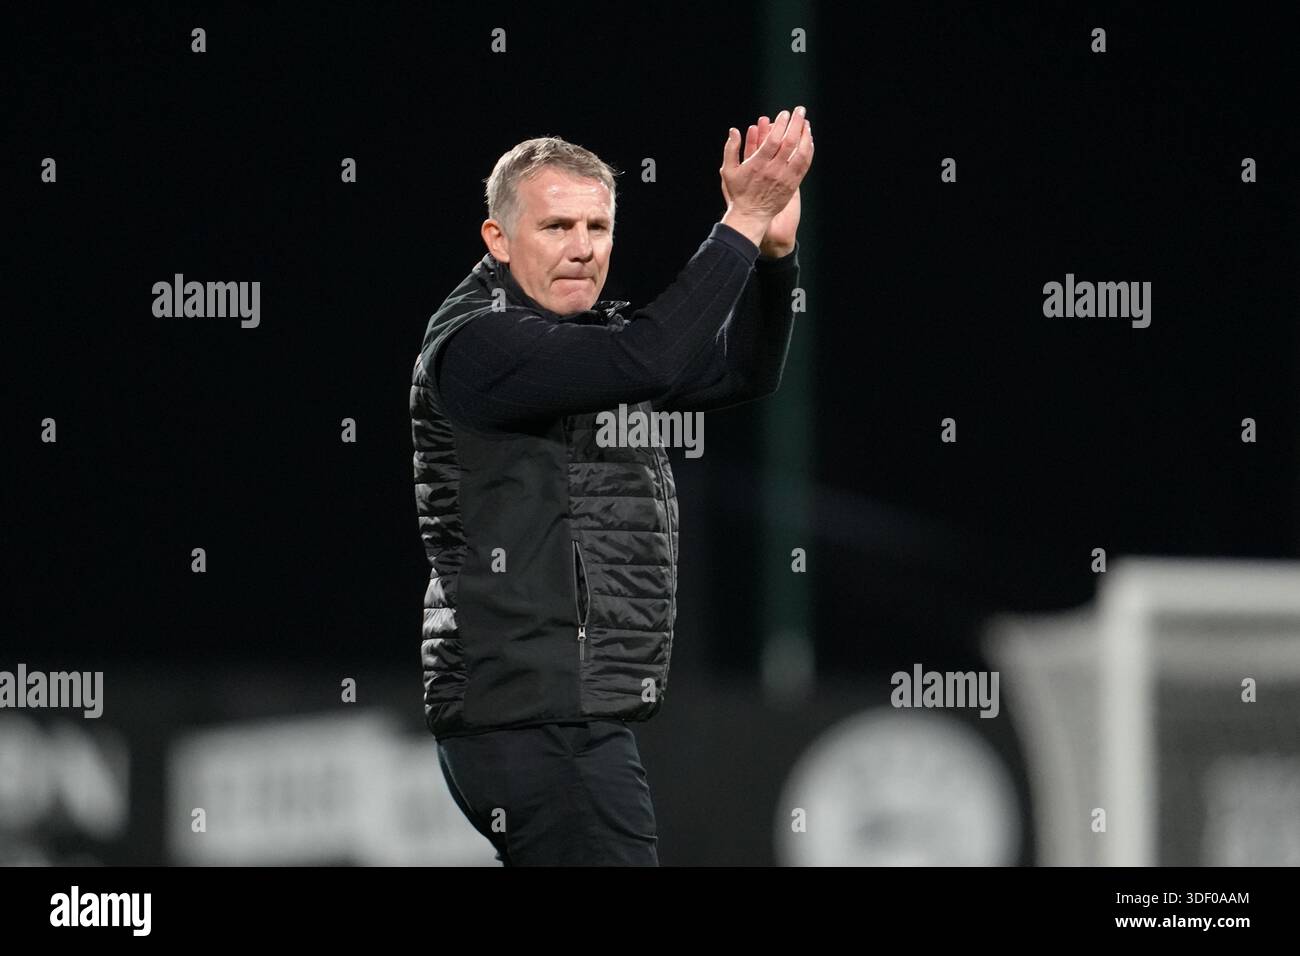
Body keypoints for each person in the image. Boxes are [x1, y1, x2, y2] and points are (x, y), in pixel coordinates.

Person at [410, 108, 814, 865]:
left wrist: (772, 254)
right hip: (536, 721)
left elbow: (741, 371)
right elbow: (652, 359)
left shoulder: (576, 342)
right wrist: (740, 220)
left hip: (552, 717)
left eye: (597, 228)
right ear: (497, 240)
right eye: (557, 227)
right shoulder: (480, 341)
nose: (582, 249)